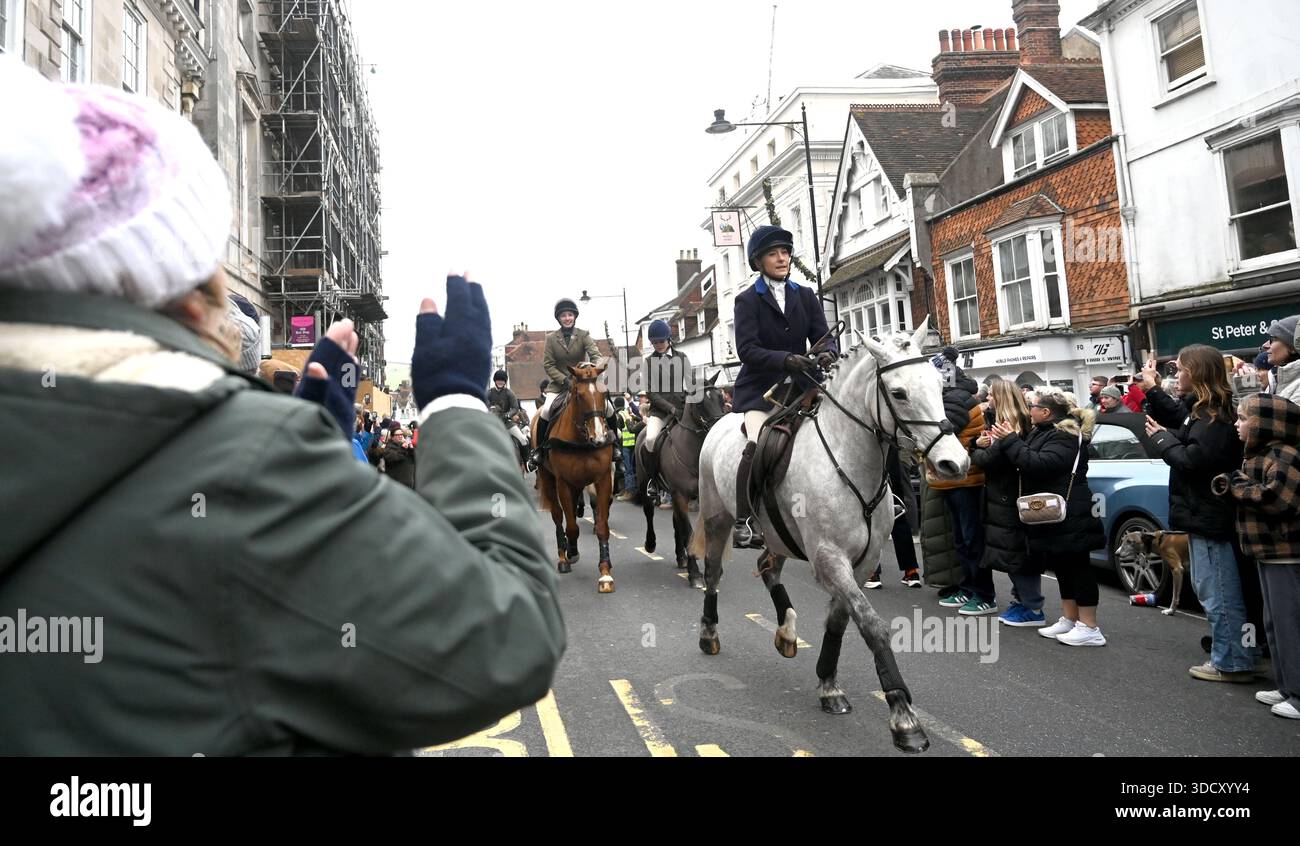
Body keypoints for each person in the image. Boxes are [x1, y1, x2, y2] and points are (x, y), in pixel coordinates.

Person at [0, 62, 564, 754]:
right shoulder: (244, 467)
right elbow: (509, 636)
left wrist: (311, 451)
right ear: (187, 290)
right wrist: (452, 400)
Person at [1140, 345, 1258, 680]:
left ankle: (1232, 661)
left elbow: (1194, 461)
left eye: (1181, 369)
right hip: (1206, 514)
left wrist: (1163, 441)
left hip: (1210, 515)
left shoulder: (1214, 416)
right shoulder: (1205, 411)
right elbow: (1186, 437)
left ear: (1198, 372)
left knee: (1218, 590)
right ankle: (1239, 653)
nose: (1176, 375)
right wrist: (1166, 433)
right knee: (1217, 589)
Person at [730, 225, 835, 548]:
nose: (782, 258)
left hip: (804, 386)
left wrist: (827, 353)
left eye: (785, 252)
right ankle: (745, 520)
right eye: (773, 254)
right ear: (758, 262)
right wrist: (785, 359)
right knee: (757, 443)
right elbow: (747, 350)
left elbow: (823, 337)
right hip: (762, 391)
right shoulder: (747, 301)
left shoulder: (805, 295)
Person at [994, 392, 1107, 645]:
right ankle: (1070, 618)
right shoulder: (1043, 432)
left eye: (1032, 406)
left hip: (1071, 511)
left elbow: (1040, 464)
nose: (1029, 411)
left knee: (1079, 567)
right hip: (1054, 511)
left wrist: (1011, 440)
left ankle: (1089, 626)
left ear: (1046, 412)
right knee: (1063, 566)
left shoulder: (1065, 435)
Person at [1212, 394, 1300, 719]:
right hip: (1267, 552)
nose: (1236, 424)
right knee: (1274, 624)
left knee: (1290, 625)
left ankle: (1298, 694)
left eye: (1242, 418)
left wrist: (1236, 486)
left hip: (1285, 552)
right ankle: (1287, 685)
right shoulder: (1259, 454)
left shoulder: (1285, 455)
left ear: (1263, 423)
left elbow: (1279, 500)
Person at [971, 380, 1043, 626]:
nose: (988, 399)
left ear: (1001, 397)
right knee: (1013, 552)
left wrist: (975, 449)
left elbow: (989, 460)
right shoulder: (1018, 422)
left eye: (991, 395)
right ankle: (1023, 600)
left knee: (1015, 553)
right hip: (1005, 496)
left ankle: (1032, 608)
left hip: (1008, 498)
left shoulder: (1010, 426)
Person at [929, 359, 993, 616]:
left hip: (965, 478)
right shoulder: (953, 397)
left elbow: (944, 431)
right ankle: (968, 587)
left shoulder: (956, 399)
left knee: (971, 539)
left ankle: (984, 594)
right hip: (955, 478)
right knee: (961, 540)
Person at [529, 297, 601, 468]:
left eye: (570, 315)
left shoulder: (583, 335)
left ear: (575, 316)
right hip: (559, 386)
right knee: (546, 411)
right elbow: (549, 364)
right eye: (563, 315)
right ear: (559, 318)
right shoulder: (551, 338)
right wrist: (564, 380)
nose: (567, 318)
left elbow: (596, 355)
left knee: (609, 407)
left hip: (583, 383)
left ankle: (616, 448)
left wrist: (591, 371)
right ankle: (540, 450)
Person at [638, 318, 691, 493]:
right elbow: (651, 393)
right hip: (660, 412)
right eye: (654, 343)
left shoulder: (682, 357)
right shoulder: (648, 362)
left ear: (668, 339)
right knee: (650, 439)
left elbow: (690, 384)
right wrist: (670, 408)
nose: (658, 345)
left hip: (682, 409)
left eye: (661, 341)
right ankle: (653, 480)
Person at [488, 368, 528, 450]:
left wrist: (508, 415)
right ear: (495, 381)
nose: (500, 382)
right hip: (492, 423)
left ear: (505, 382)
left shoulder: (509, 393)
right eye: (498, 380)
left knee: (523, 439)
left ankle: (527, 458)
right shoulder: (489, 393)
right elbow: (484, 404)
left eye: (502, 381)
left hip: (507, 423)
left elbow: (515, 408)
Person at [1261, 316, 1300, 401]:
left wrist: (1248, 391)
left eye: (1273, 339)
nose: (1265, 345)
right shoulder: (1275, 380)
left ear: (1292, 348)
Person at [617, 396, 643, 501]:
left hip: (626, 445)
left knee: (628, 469)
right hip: (634, 443)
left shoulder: (620, 415)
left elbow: (617, 432)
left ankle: (630, 491)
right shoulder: (628, 413)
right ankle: (630, 489)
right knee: (633, 468)